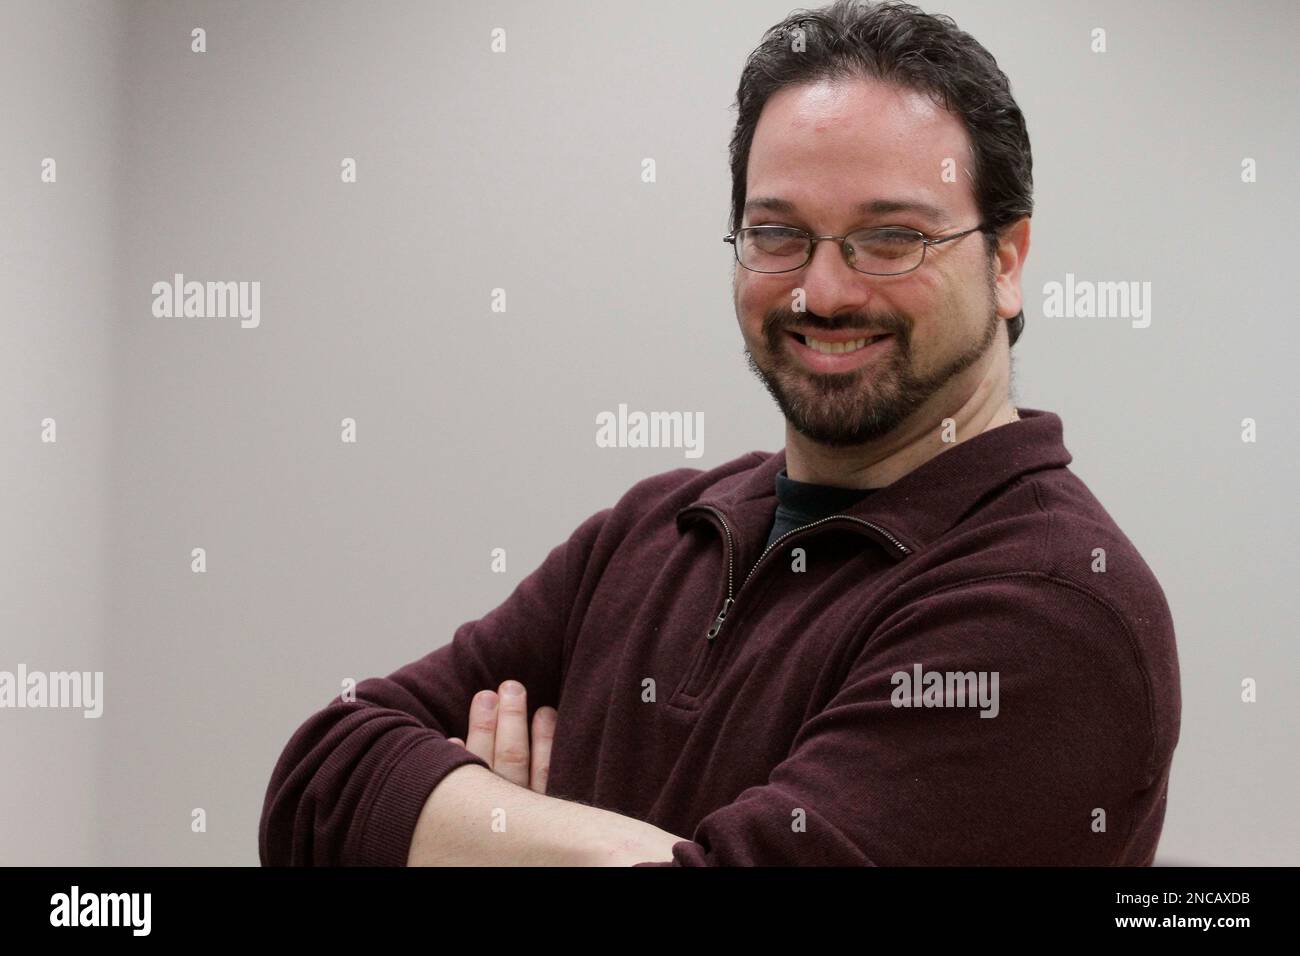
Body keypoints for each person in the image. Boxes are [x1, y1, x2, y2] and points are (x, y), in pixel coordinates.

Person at [260, 0, 1180, 866]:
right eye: (778, 235)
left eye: (892, 238)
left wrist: (480, 834)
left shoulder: (1049, 605)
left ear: (1007, 261)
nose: (823, 292)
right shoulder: (654, 528)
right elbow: (314, 789)